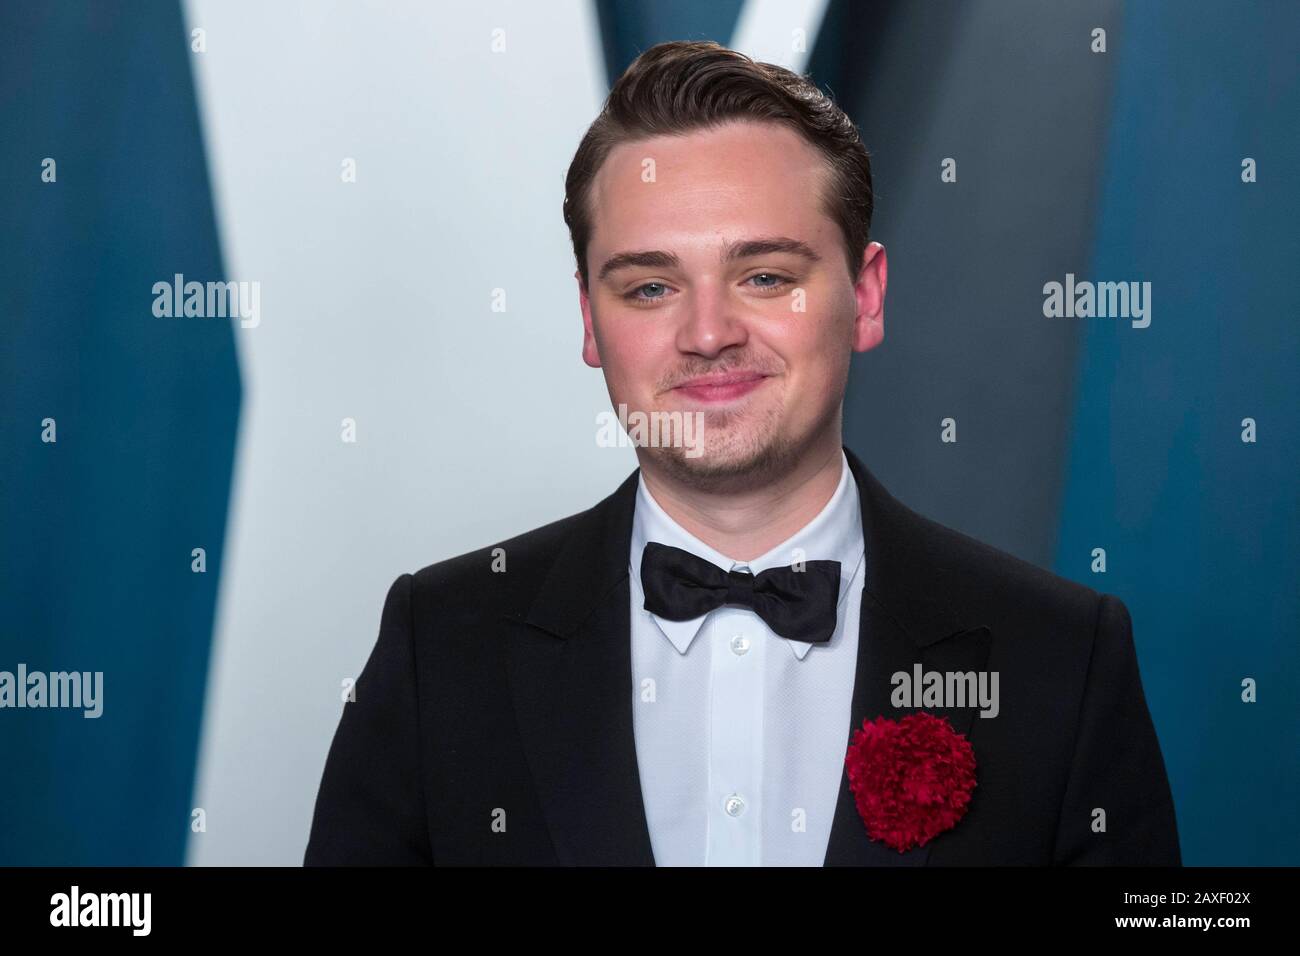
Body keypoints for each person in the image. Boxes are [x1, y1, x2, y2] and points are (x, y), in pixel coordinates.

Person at [304, 40, 1180, 866]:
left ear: (866, 298)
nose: (709, 333)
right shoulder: (440, 647)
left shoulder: (1061, 659)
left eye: (765, 276)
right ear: (589, 321)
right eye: (651, 286)